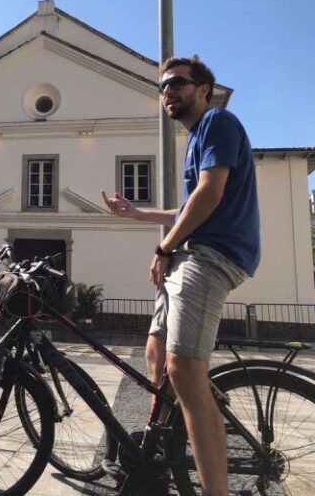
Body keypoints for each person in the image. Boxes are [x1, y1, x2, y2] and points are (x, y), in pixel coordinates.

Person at [101, 55, 259, 496]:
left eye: (177, 83)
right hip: (190, 252)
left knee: (184, 368)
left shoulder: (217, 123)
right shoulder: (195, 140)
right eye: (162, 87)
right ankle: (163, 450)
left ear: (204, 89)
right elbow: (185, 209)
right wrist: (137, 214)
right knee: (156, 354)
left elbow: (209, 196)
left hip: (213, 254)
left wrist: (164, 246)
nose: (168, 92)